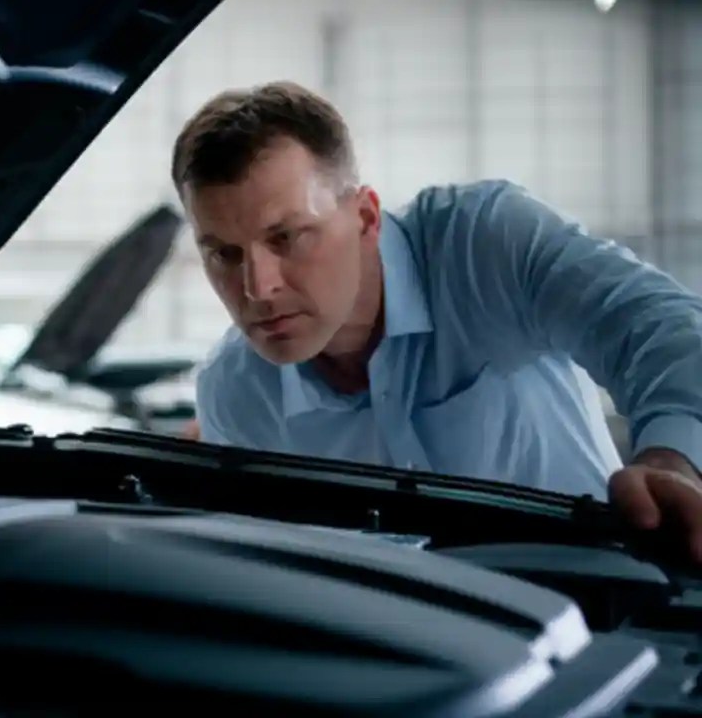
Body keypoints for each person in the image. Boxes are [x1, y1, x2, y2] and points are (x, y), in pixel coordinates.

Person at [176, 80, 702, 561]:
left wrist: (673, 462)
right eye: (223, 253)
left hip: (601, 620)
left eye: (285, 237)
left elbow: (656, 325)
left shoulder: (486, 245)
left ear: (365, 217)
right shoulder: (236, 393)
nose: (256, 288)